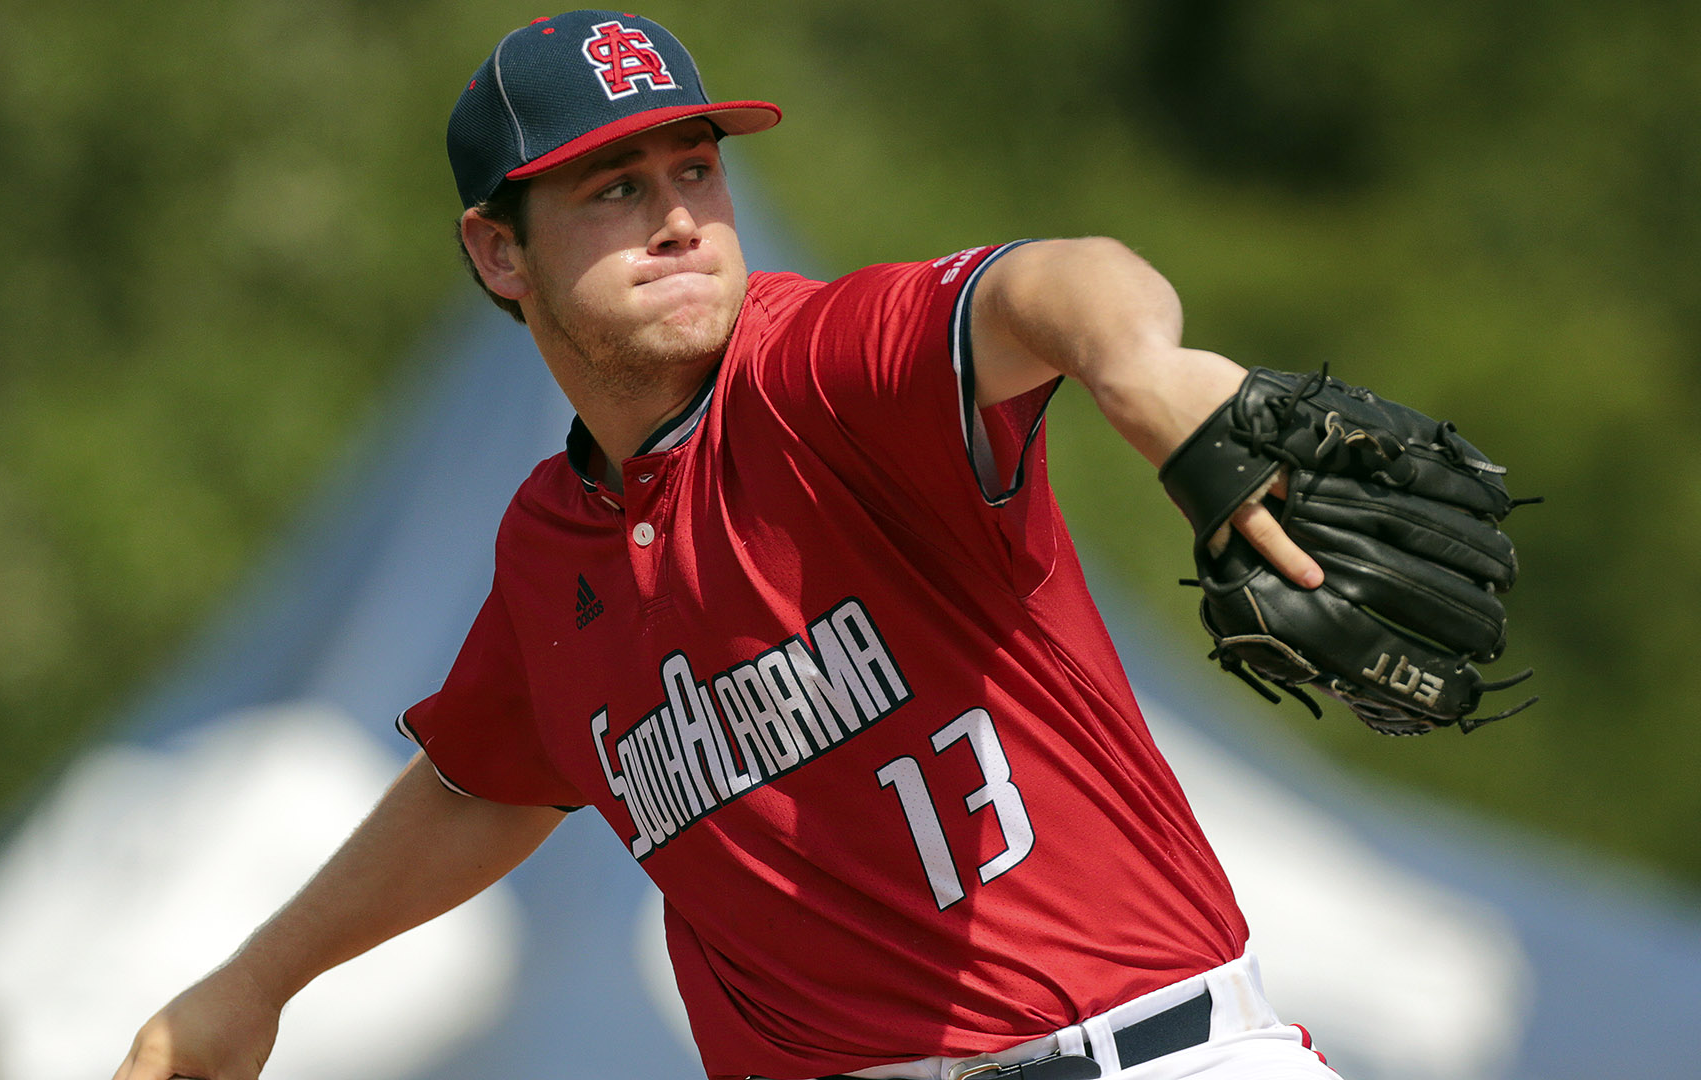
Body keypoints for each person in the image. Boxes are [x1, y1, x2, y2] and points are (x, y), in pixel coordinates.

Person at [115, 10, 1345, 1080]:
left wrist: (1139, 364)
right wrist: (256, 983)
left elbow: (1051, 282)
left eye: (695, 169)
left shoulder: (818, 376)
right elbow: (477, 786)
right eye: (614, 188)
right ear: (500, 251)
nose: (680, 219)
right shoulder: (554, 550)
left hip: (1151, 1053)